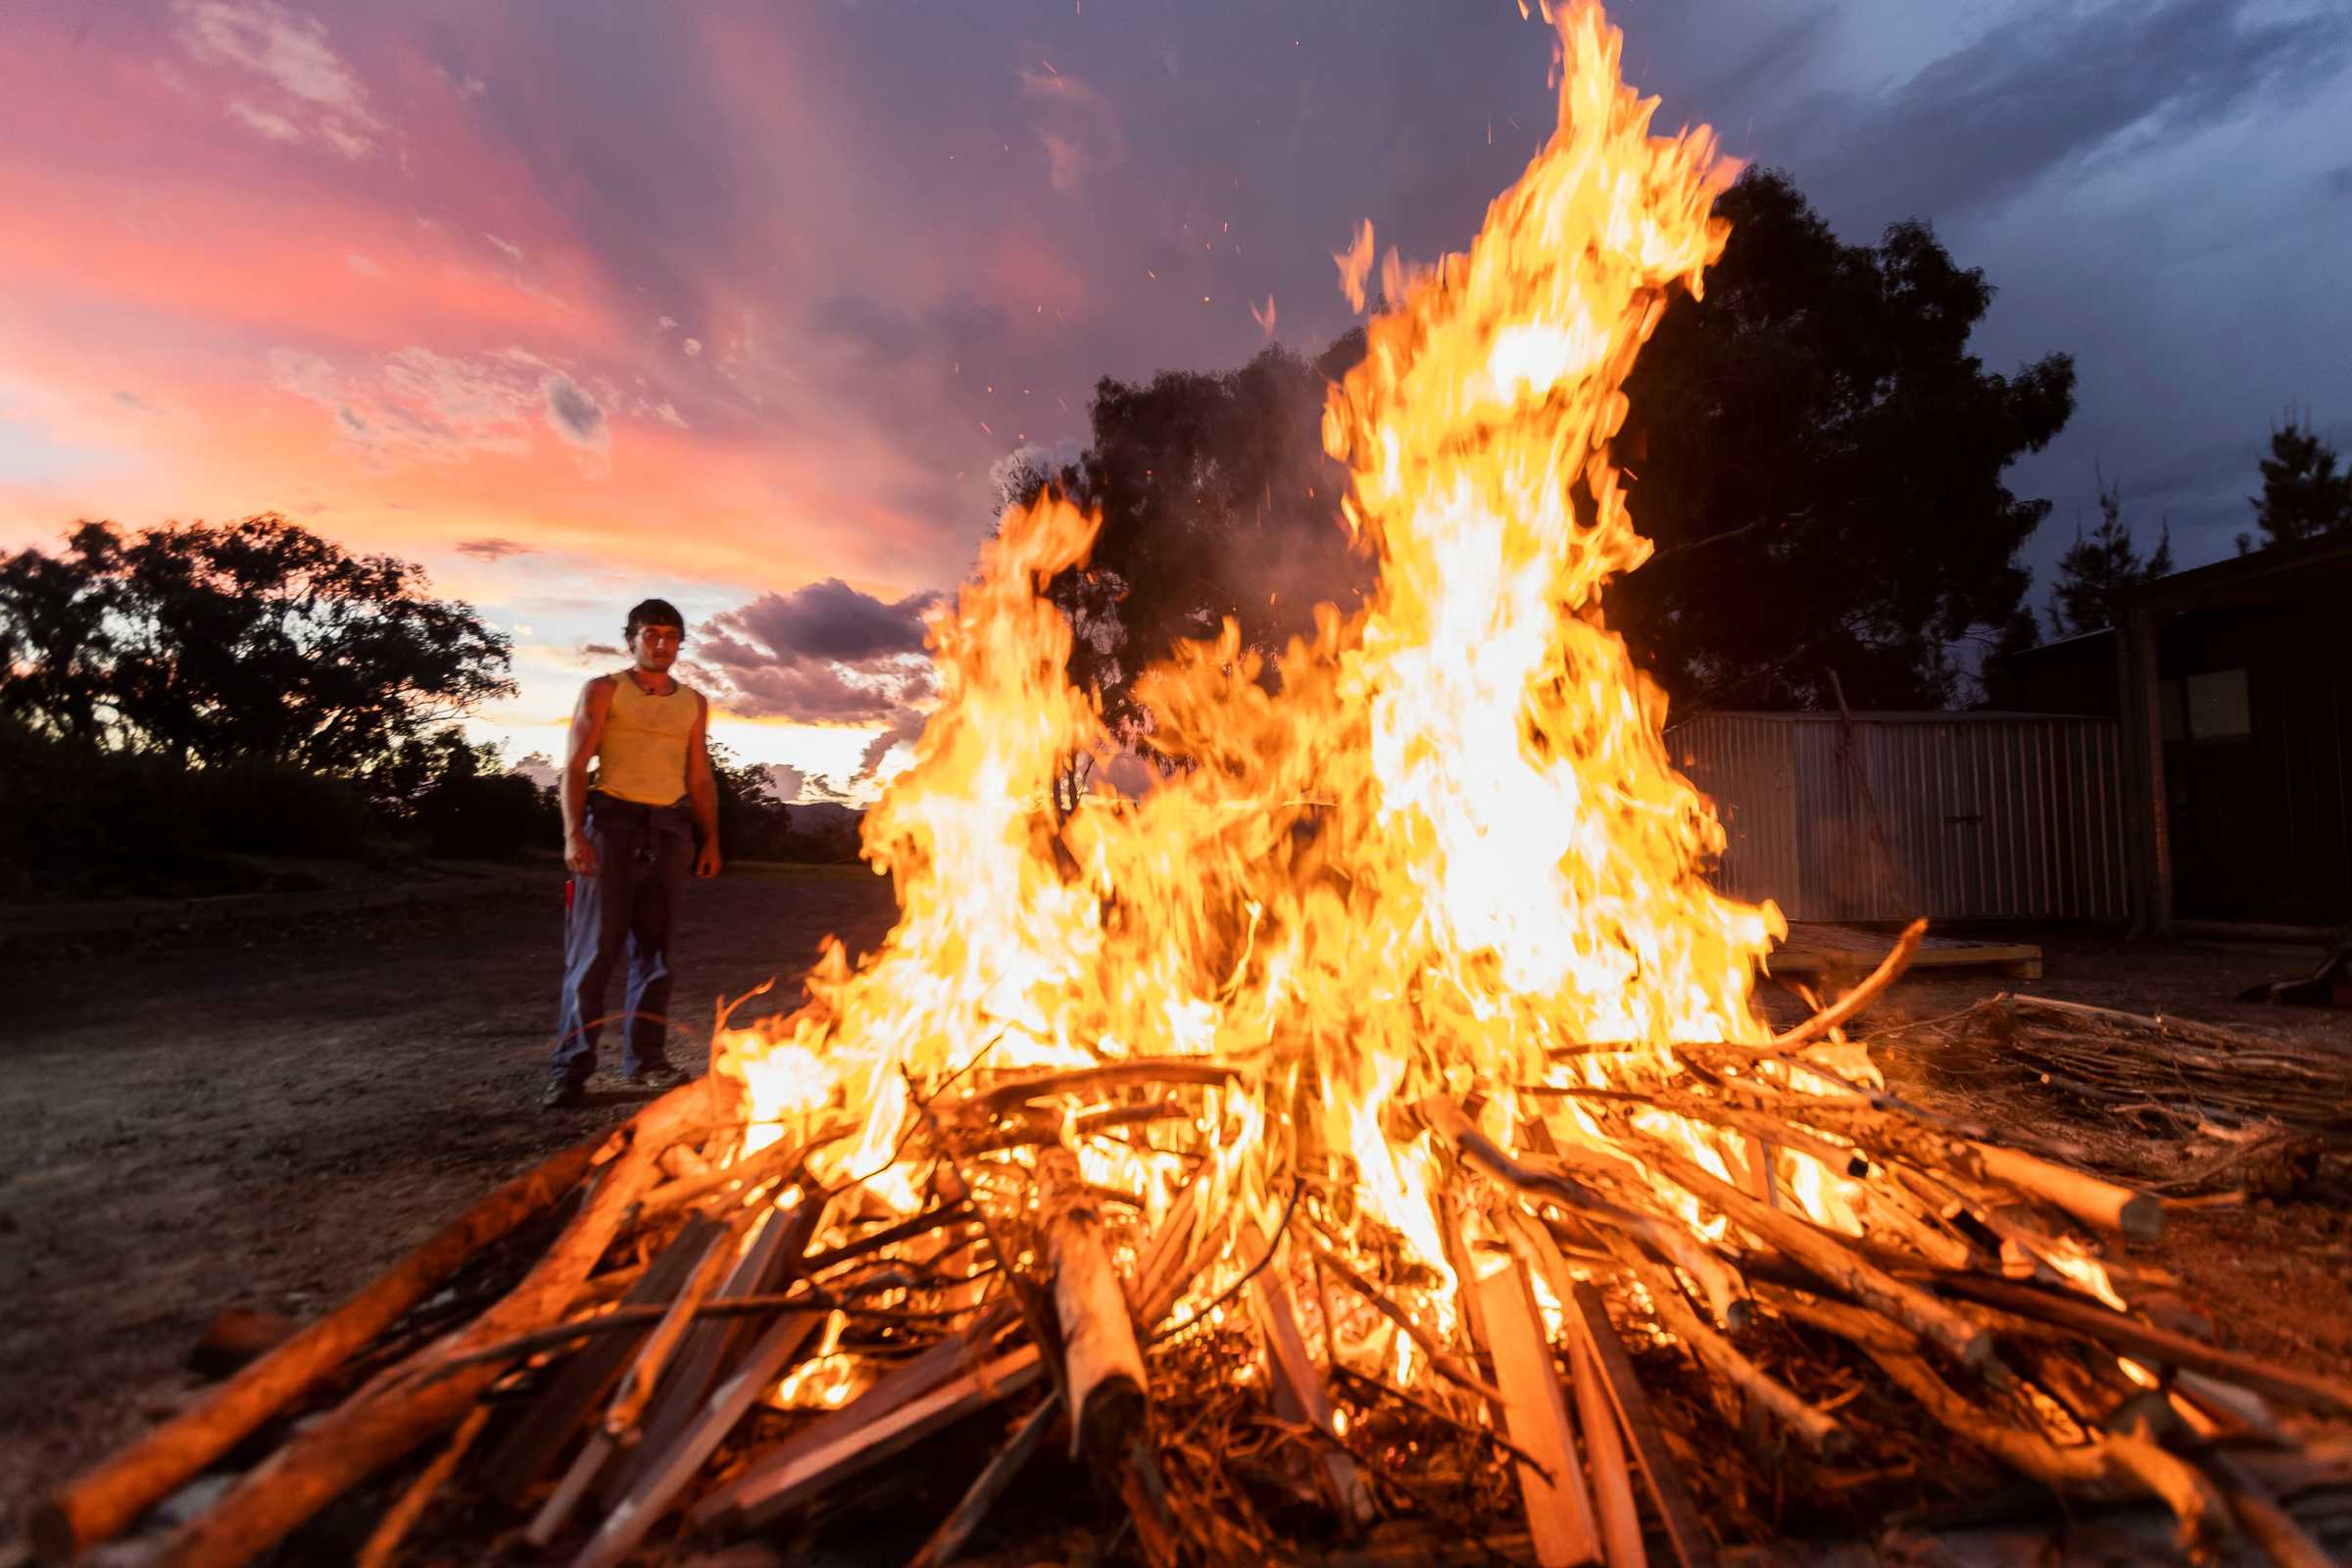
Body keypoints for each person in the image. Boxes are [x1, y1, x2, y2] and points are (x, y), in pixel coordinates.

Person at [542, 598, 722, 1109]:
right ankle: (570, 1069)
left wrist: (710, 839)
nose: (662, 644)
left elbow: (700, 775)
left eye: (671, 636)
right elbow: (576, 766)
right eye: (651, 635)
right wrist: (574, 834)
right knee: (594, 952)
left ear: (680, 644)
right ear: (632, 639)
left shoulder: (693, 701)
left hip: (669, 828)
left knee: (656, 954)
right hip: (613, 824)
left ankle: (646, 1063)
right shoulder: (604, 690)